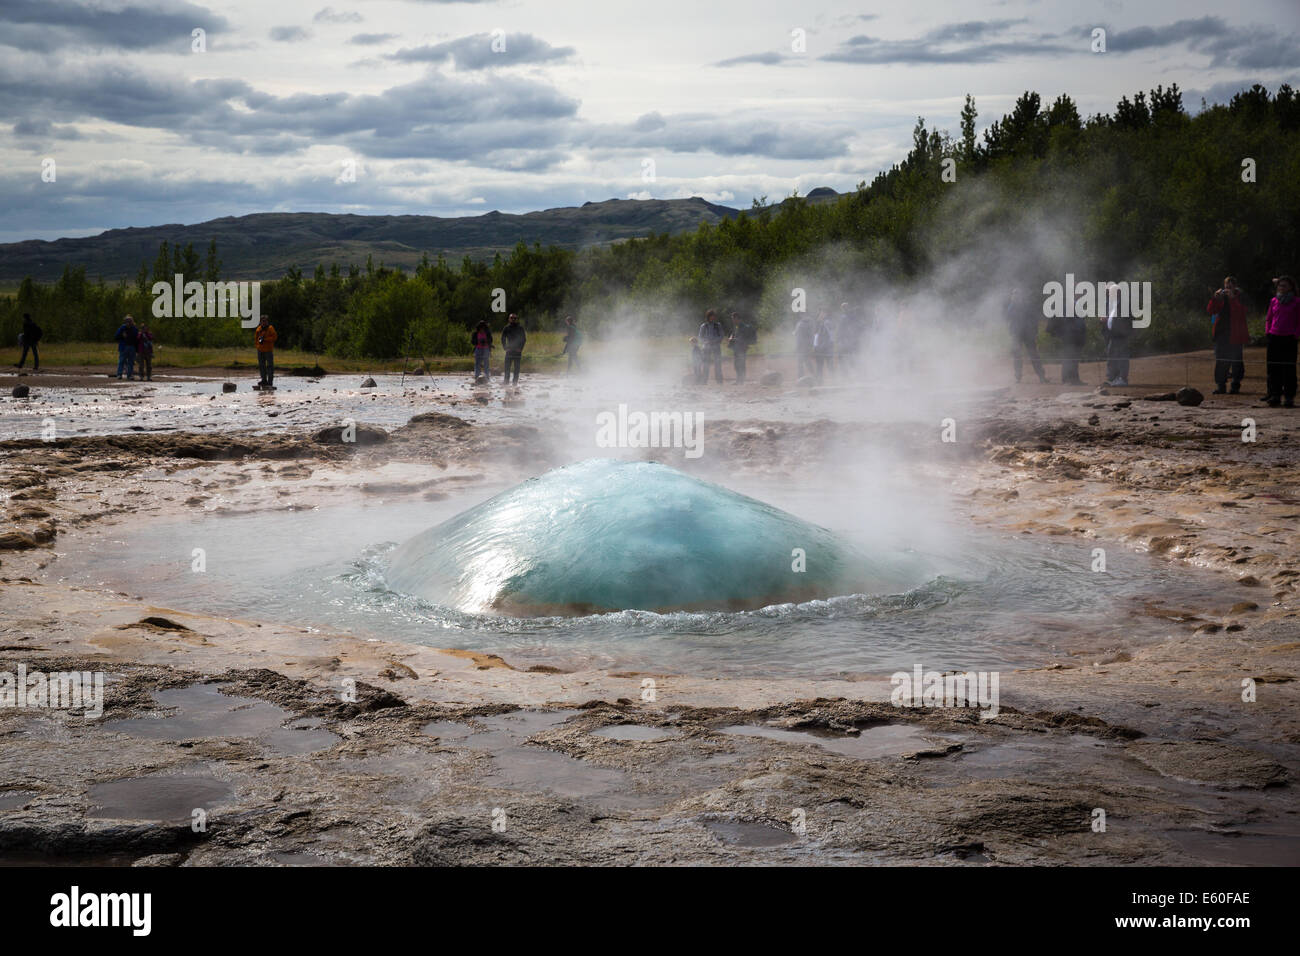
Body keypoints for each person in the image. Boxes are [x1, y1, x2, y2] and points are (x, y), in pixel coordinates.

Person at [1207, 276, 1249, 394]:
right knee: (1221, 361)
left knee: (1236, 361)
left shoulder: (1241, 296)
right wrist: (1215, 299)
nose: (1228, 289)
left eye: (1230, 286)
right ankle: (1221, 386)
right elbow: (1211, 311)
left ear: (1235, 286)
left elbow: (1242, 311)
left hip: (1236, 333)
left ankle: (1235, 385)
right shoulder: (1221, 297)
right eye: (1226, 286)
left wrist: (1233, 299)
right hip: (1222, 334)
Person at [1263, 275, 1299, 408]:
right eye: (1280, 285)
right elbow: (1269, 318)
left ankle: (1289, 396)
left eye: (1284, 285)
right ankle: (1275, 395)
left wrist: (1296, 334)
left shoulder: (1296, 302)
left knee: (1289, 368)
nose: (1282, 288)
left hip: (1289, 338)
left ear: (1291, 287)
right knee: (1273, 368)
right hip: (1274, 337)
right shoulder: (1274, 301)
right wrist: (1268, 332)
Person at [1005, 289, 1047, 383]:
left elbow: (1034, 319)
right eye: (1014, 295)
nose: (1016, 296)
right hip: (1017, 334)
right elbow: (1008, 319)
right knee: (1017, 356)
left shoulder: (1027, 306)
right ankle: (1018, 377)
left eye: (1017, 295)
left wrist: (1035, 332)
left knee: (1034, 355)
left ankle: (1041, 376)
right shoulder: (1011, 307)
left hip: (1028, 334)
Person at [1102, 282, 1132, 386]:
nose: (1110, 294)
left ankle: (1122, 379)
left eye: (1112, 292)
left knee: (1122, 357)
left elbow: (1126, 320)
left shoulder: (1123, 304)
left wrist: (1112, 322)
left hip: (1121, 335)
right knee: (1112, 356)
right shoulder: (1114, 304)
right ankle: (1113, 378)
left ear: (1118, 293)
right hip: (1113, 335)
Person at [728, 311, 756, 384]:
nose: (733, 321)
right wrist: (731, 337)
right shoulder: (737, 326)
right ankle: (739, 380)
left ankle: (741, 380)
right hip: (737, 348)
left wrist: (733, 339)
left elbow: (742, 339)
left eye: (734, 319)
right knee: (737, 365)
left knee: (740, 364)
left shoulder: (743, 327)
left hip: (742, 348)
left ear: (737, 318)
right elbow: (734, 334)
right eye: (732, 319)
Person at [697, 309, 725, 383]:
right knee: (706, 364)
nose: (713, 318)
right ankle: (704, 380)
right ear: (708, 317)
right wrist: (705, 341)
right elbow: (700, 337)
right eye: (711, 316)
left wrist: (715, 340)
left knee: (718, 363)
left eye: (714, 316)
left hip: (716, 346)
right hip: (706, 347)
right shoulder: (703, 326)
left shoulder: (718, 325)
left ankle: (719, 381)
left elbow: (722, 335)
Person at [501, 313, 526, 386]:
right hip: (509, 350)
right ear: (509, 319)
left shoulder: (520, 328)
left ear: (517, 319)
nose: (513, 319)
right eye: (512, 318)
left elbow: (523, 339)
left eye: (515, 318)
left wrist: (521, 348)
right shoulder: (506, 328)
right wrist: (505, 347)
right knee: (507, 367)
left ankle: (515, 382)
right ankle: (506, 381)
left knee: (517, 368)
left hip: (517, 351)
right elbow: (503, 338)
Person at [255, 314, 277, 387]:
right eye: (262, 321)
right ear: (260, 322)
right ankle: (264, 380)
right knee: (262, 366)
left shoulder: (270, 328)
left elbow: (274, 338)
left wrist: (265, 340)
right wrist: (257, 346)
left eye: (265, 321)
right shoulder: (258, 329)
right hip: (260, 350)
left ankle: (270, 382)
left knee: (270, 366)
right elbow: (256, 339)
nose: (264, 322)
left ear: (267, 321)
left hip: (268, 350)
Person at [812, 310, 834, 383]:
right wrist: (815, 347)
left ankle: (833, 379)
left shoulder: (827, 323)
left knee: (828, 365)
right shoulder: (819, 323)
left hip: (825, 348)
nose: (820, 315)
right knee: (820, 365)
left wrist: (822, 346)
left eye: (822, 314)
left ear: (825, 314)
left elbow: (830, 336)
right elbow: (816, 336)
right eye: (820, 314)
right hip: (820, 348)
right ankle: (819, 380)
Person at [114, 315, 139, 380]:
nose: (129, 322)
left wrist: (137, 349)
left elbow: (137, 339)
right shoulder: (122, 328)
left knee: (131, 362)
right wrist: (122, 336)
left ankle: (130, 375)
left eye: (130, 321)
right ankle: (119, 374)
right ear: (125, 322)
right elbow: (116, 336)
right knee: (121, 361)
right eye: (127, 321)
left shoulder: (135, 329)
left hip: (132, 347)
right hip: (123, 347)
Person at [793, 312, 815, 380]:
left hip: (804, 346)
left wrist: (810, 346)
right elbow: (796, 333)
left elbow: (810, 336)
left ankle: (813, 375)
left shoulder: (807, 323)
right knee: (802, 362)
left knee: (805, 362)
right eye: (801, 314)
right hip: (801, 346)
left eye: (803, 314)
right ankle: (802, 377)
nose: (801, 315)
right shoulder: (800, 323)